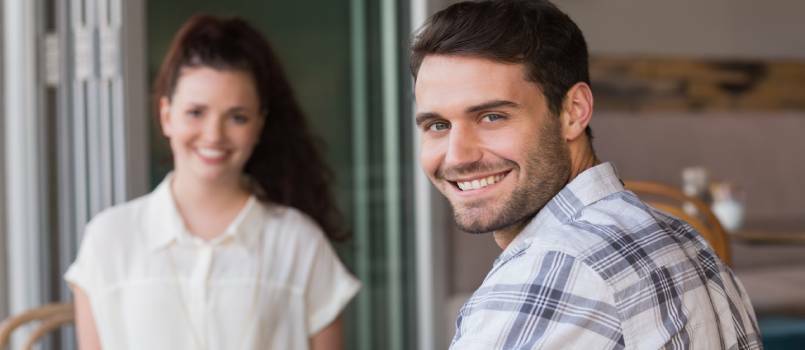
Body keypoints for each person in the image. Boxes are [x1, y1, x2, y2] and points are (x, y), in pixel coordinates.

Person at [411, 1, 761, 348]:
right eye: (437, 125)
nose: (458, 156)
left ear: (573, 112)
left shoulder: (554, 269)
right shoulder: (685, 240)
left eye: (492, 117)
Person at [65, 15, 360, 350]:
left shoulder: (299, 243)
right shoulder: (108, 240)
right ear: (166, 116)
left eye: (237, 117)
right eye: (196, 112)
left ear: (259, 125)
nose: (213, 135)